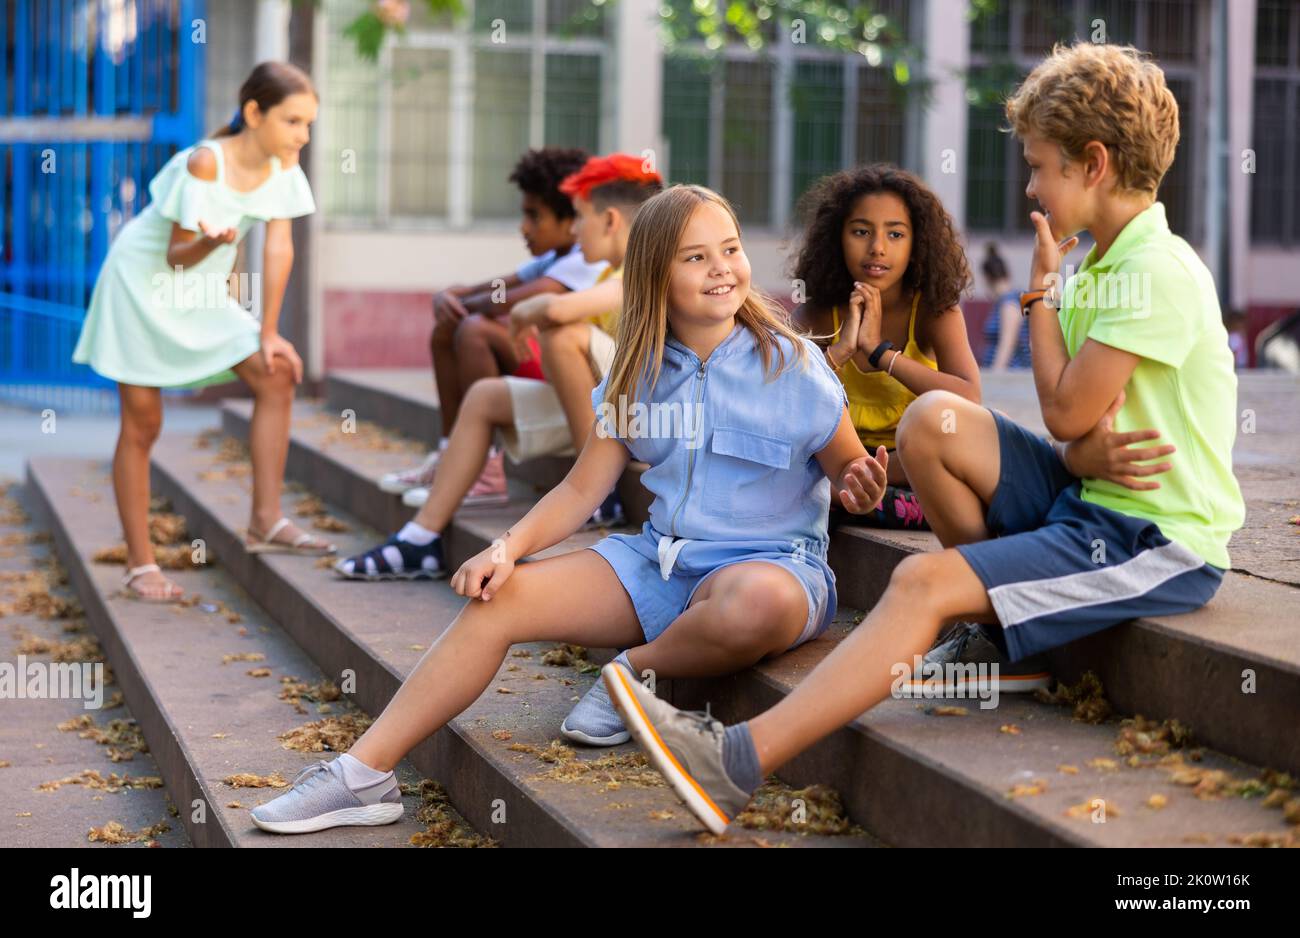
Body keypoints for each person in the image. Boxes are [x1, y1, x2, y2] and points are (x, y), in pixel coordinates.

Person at [604, 42, 1246, 836]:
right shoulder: (1107, 262)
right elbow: (1071, 426)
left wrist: (1046, 320)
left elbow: (1069, 414)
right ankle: (1000, 626)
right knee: (932, 422)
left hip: (1150, 536)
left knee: (921, 583)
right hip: (1090, 495)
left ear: (1095, 164)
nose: (1031, 184)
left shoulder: (1156, 274)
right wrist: (1056, 347)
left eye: (1041, 166)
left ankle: (737, 760)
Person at [249, 183, 888, 833]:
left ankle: (633, 672)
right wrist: (507, 549)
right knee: (500, 599)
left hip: (773, 567)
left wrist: (859, 484)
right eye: (695, 258)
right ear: (655, 275)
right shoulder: (636, 371)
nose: (722, 267)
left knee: (754, 603)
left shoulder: (794, 364)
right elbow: (583, 489)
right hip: (661, 564)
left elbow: (848, 469)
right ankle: (362, 775)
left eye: (730, 249)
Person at [71, 61, 330, 603]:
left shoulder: (285, 165)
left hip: (205, 296)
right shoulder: (205, 163)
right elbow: (176, 254)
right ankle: (141, 566)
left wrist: (270, 331)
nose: (302, 136)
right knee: (143, 424)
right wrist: (215, 245)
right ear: (254, 113)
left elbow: (279, 248)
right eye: (292, 121)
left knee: (276, 373)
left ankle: (266, 519)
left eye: (308, 123)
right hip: (144, 289)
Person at [333, 154, 662, 581]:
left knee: (560, 332)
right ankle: (421, 539)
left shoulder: (642, 269)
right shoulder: (601, 271)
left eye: (579, 218)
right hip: (608, 416)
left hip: (644, 416)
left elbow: (561, 308)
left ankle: (604, 495)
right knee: (485, 396)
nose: (575, 230)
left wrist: (532, 312)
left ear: (611, 220)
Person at [381, 148, 606, 501]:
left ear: (571, 222)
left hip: (579, 378)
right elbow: (498, 287)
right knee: (450, 327)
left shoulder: (586, 260)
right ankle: (449, 454)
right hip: (549, 366)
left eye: (535, 217)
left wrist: (460, 303)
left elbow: (514, 299)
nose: (524, 227)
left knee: (474, 329)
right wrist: (454, 295)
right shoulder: (555, 255)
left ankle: (483, 472)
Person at [791, 164, 981, 530]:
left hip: (911, 466)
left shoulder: (933, 309)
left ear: (917, 242)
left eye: (895, 234)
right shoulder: (815, 314)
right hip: (840, 466)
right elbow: (782, 410)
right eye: (861, 232)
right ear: (837, 238)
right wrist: (839, 354)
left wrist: (881, 353)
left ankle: (860, 495)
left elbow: (969, 399)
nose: (877, 248)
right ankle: (862, 495)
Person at [979, 242, 1032, 370]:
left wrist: (994, 376)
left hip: (1009, 378)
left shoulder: (1009, 301)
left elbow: (1007, 344)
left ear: (987, 277)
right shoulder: (1006, 301)